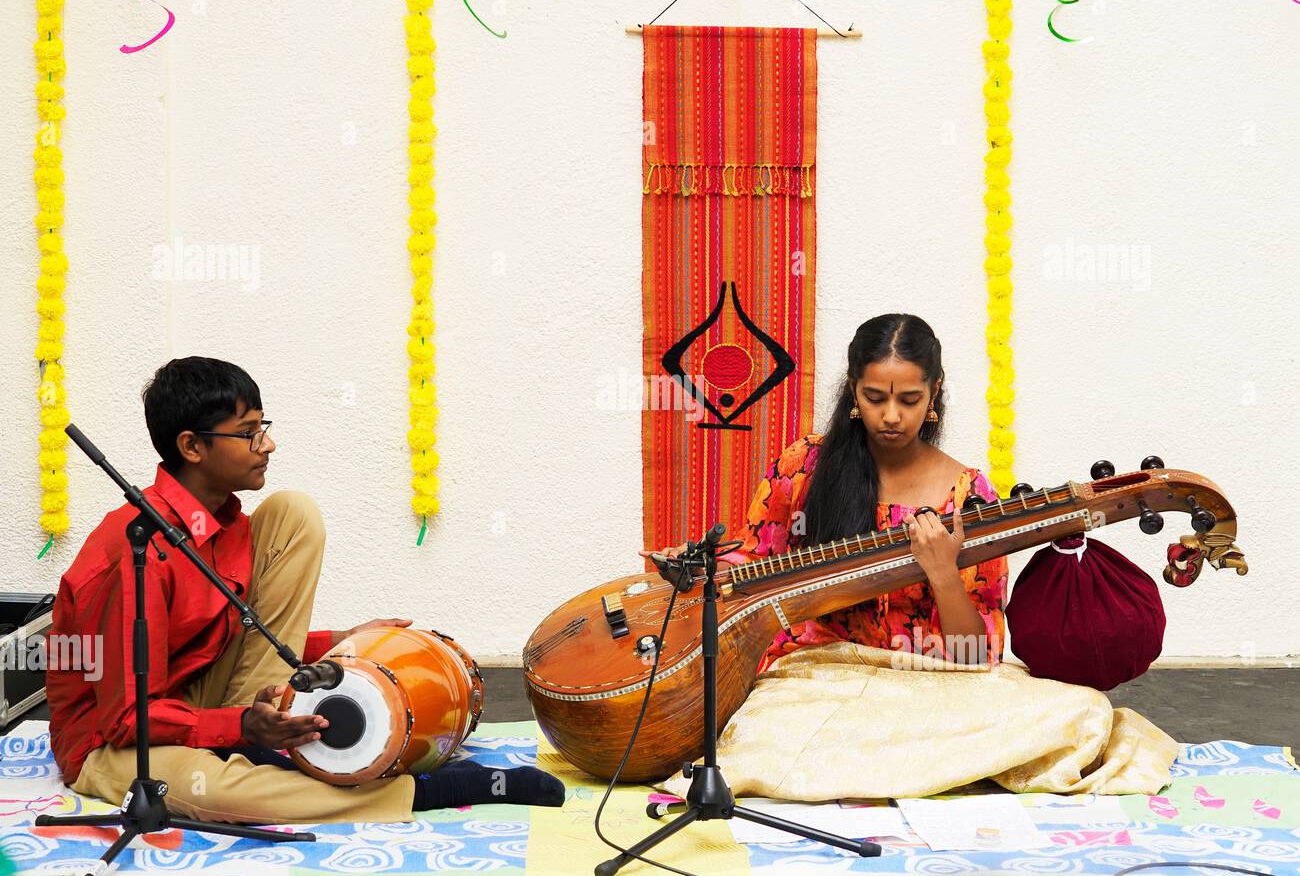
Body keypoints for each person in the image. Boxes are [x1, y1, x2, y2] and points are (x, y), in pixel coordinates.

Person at [46, 356, 564, 825]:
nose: (267, 444)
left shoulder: (229, 526)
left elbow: (237, 633)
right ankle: (418, 793)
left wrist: (340, 642)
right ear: (192, 446)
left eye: (263, 428)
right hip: (112, 740)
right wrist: (241, 727)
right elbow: (124, 718)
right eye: (248, 433)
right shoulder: (132, 553)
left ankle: (265, 731)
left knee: (294, 511)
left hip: (197, 693)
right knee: (217, 793)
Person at [643, 313, 1008, 670]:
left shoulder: (967, 496)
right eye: (875, 398)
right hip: (810, 675)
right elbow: (756, 563)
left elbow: (977, 656)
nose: (892, 416)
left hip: (917, 689)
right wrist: (700, 570)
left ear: (935, 391)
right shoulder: (805, 465)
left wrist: (942, 573)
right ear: (853, 390)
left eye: (909, 400)